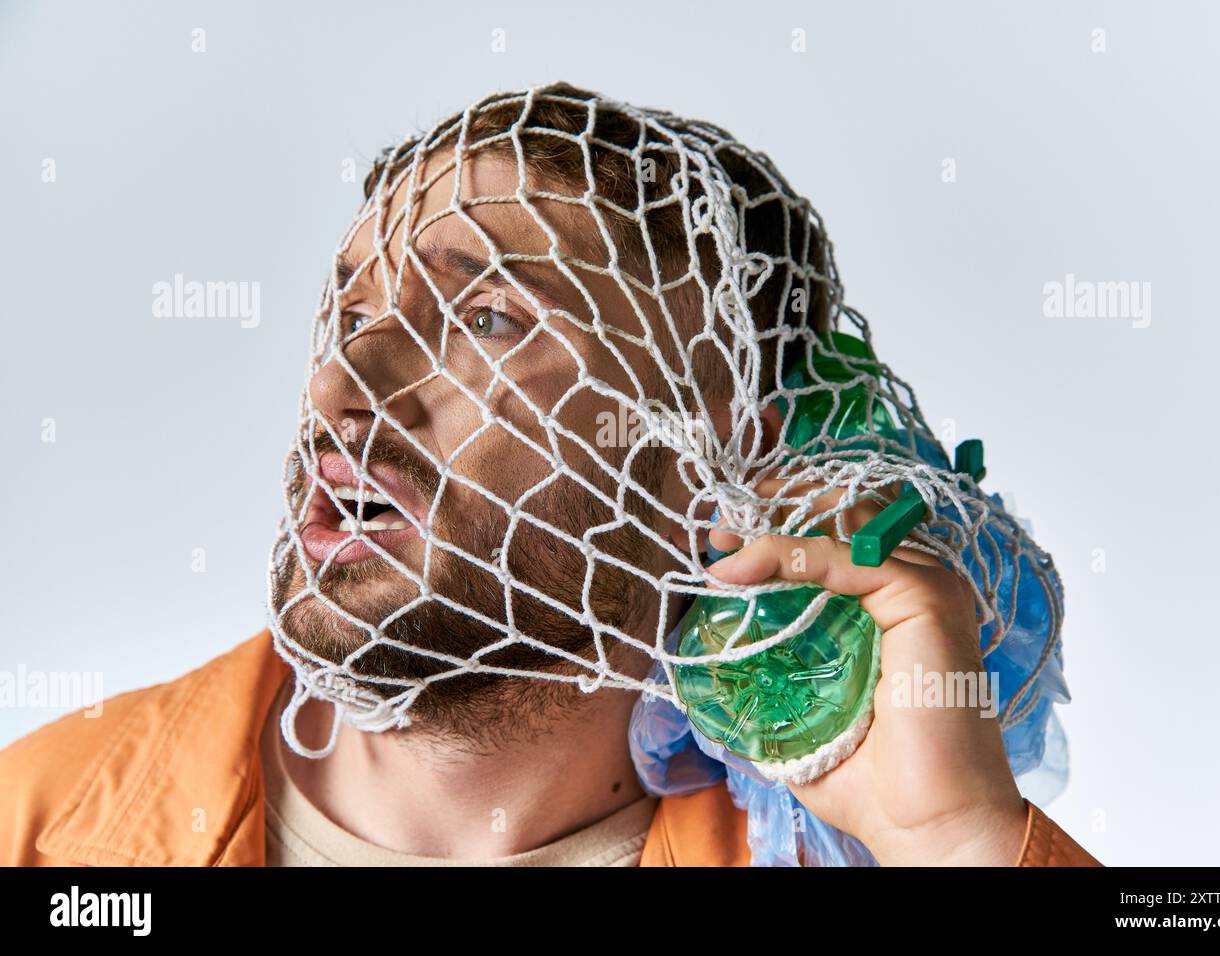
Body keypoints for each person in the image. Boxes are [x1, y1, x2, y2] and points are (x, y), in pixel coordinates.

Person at [0, 82, 1098, 867]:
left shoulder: (839, 849)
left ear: (713, 452)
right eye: (351, 311)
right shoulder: (39, 826)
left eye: (483, 316)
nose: (345, 390)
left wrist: (956, 843)